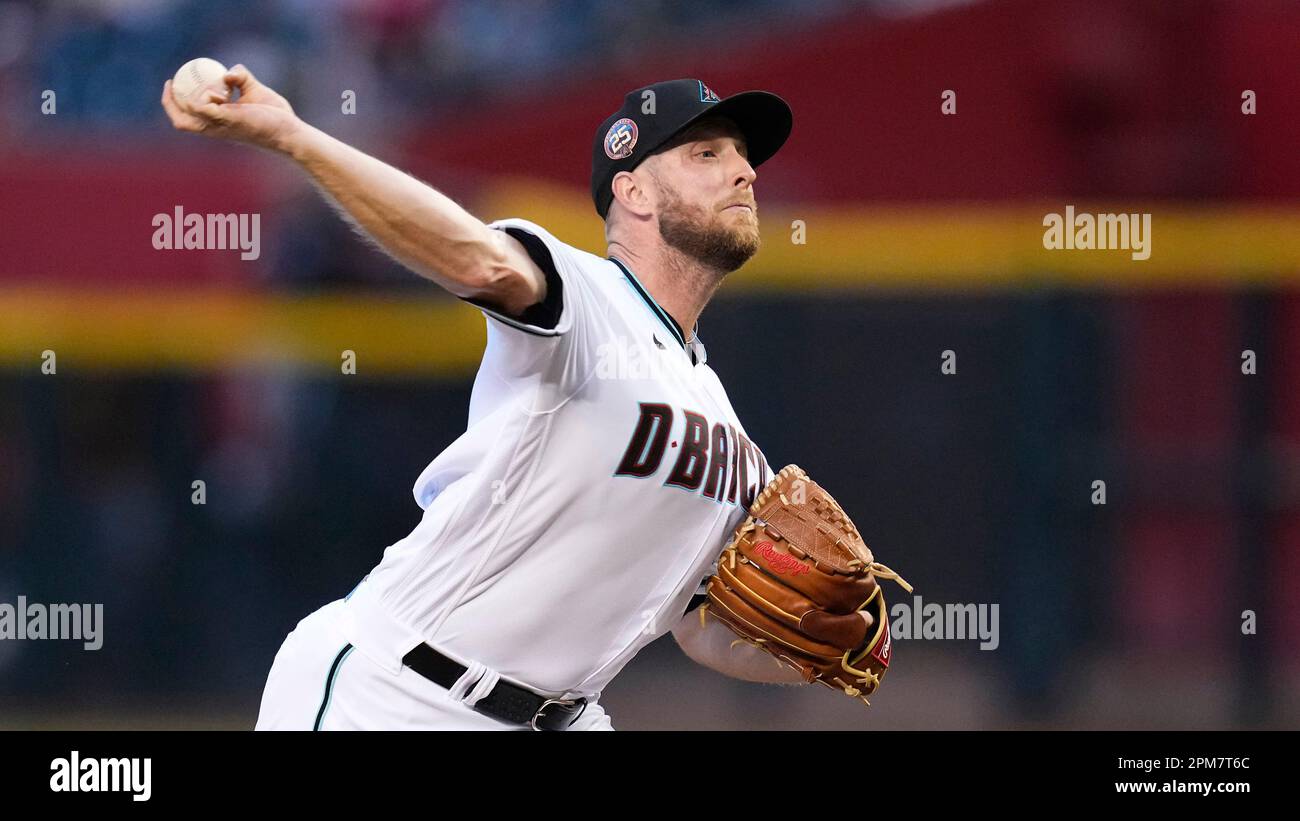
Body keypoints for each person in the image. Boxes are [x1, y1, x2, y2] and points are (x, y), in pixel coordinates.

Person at [163, 69, 869, 730]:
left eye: (743, 157)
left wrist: (826, 643)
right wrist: (293, 136)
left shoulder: (728, 431)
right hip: (396, 692)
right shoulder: (585, 294)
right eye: (707, 154)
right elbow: (478, 258)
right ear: (636, 193)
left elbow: (697, 624)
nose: (744, 171)